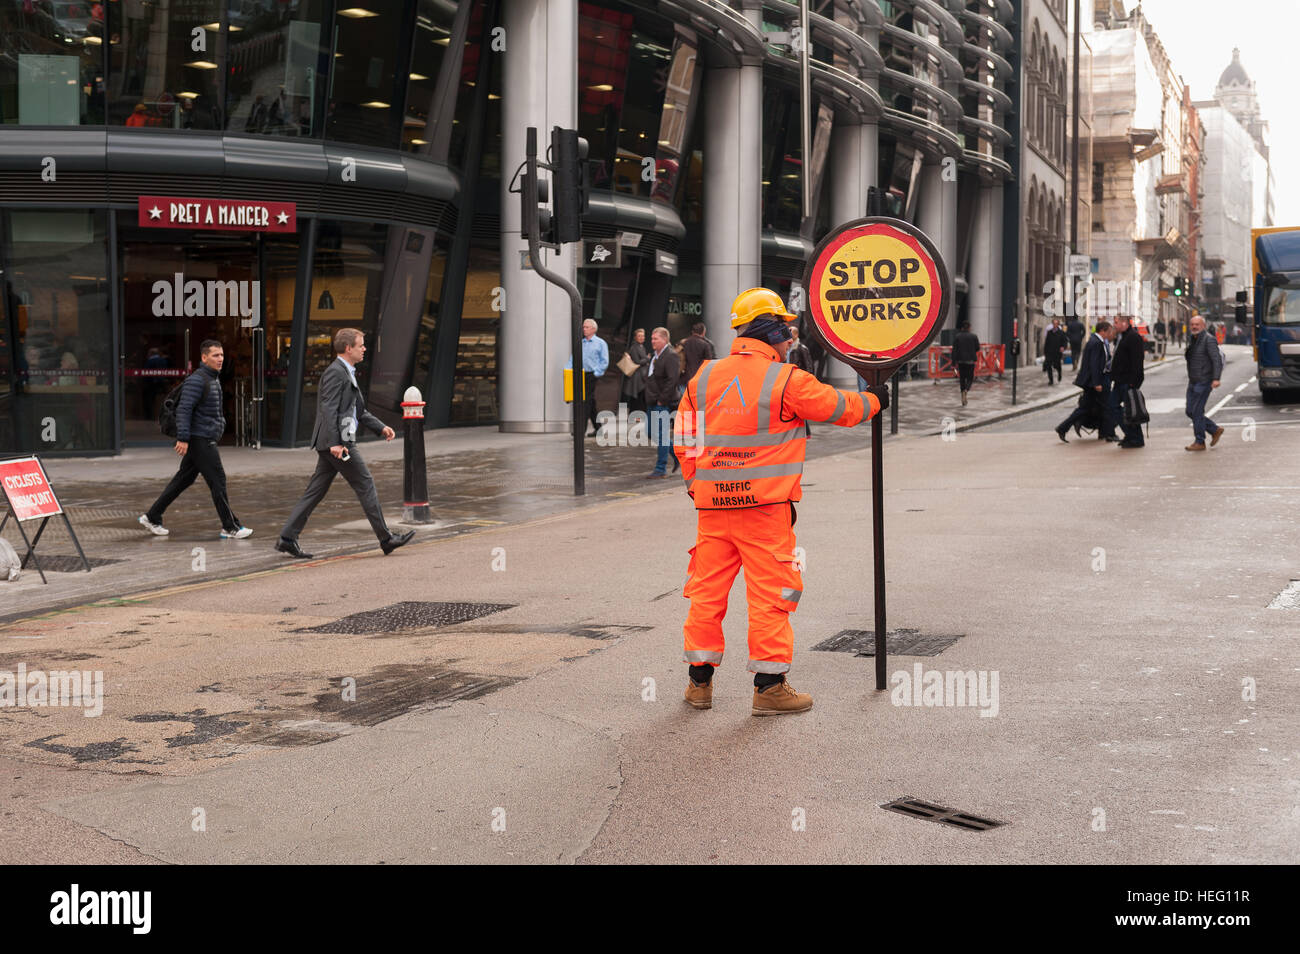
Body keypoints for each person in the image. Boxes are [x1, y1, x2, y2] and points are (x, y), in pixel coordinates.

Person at [674, 288, 888, 716]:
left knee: (707, 594)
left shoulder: (704, 378)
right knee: (772, 596)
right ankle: (769, 688)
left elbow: (684, 439)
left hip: (713, 511)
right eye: (786, 330)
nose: (791, 339)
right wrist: (876, 398)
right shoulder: (786, 380)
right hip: (765, 511)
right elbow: (840, 409)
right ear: (769, 330)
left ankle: (699, 685)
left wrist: (699, 486)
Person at [276, 329, 415, 558]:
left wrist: (380, 427)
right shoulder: (335, 373)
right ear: (348, 348)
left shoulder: (347, 371)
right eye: (361, 345)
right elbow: (328, 409)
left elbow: (357, 409)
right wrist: (335, 443)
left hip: (336, 442)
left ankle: (287, 538)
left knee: (315, 492)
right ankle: (386, 538)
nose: (364, 349)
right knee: (366, 484)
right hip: (339, 443)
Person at [139, 340, 251, 539]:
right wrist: (182, 438)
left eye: (222, 355)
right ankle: (230, 527)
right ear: (204, 357)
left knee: (183, 479)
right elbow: (184, 410)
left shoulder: (213, 379)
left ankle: (152, 516)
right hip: (201, 439)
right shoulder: (197, 380)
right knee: (218, 481)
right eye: (216, 355)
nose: (220, 359)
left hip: (204, 436)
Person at [1055, 320, 1113, 442]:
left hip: (1093, 382)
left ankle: (1103, 432)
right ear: (1102, 331)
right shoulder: (1096, 343)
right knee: (1098, 407)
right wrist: (1097, 383)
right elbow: (1094, 364)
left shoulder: (1097, 341)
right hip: (1093, 383)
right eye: (1109, 332)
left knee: (1090, 408)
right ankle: (1107, 433)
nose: (1110, 334)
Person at [1184, 314, 1225, 452]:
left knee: (1196, 411)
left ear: (1203, 326)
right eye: (1192, 324)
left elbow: (1216, 360)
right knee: (1190, 411)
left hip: (1204, 380)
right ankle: (1214, 429)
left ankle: (1200, 441)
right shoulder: (1193, 340)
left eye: (1197, 324)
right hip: (1193, 380)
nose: (1194, 327)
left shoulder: (1209, 340)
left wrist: (1216, 378)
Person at [643, 326, 680, 478]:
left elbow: (672, 380)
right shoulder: (655, 355)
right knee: (650, 432)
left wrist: (661, 400)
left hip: (661, 402)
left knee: (662, 434)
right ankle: (677, 455)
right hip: (652, 400)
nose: (652, 341)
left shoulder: (670, 355)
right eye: (652, 338)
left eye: (655, 339)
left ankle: (660, 469)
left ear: (665, 339)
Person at [565, 318, 608, 438]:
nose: (584, 329)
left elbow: (604, 361)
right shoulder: (581, 343)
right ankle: (598, 428)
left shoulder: (600, 343)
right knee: (590, 402)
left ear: (594, 329)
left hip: (591, 375)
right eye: (583, 327)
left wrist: (596, 373)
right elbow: (573, 359)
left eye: (587, 327)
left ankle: (580, 430)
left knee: (585, 401)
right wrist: (567, 371)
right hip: (580, 375)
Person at [1111, 315, 1145, 448]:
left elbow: (1137, 361)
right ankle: (1132, 435)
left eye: (1116, 322)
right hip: (1120, 380)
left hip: (1128, 381)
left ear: (1124, 323)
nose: (1114, 325)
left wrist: (1133, 382)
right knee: (1116, 407)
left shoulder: (1133, 337)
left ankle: (1135, 438)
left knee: (1130, 410)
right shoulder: (1122, 336)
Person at [679, 321, 715, 399]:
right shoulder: (706, 345)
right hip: (698, 381)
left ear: (692, 332)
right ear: (703, 332)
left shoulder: (683, 343)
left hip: (684, 379)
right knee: (696, 406)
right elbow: (709, 364)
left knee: (685, 404)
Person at [620, 327, 649, 415]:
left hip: (641, 375)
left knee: (639, 397)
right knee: (636, 397)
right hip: (637, 376)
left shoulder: (641, 347)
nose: (641, 338)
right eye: (639, 336)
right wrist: (647, 359)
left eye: (643, 336)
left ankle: (636, 415)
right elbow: (637, 362)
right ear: (635, 337)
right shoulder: (634, 347)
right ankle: (634, 415)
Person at [952, 321, 980, 406]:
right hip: (970, 361)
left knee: (962, 378)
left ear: (962, 328)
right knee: (970, 378)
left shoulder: (958, 337)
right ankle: (966, 390)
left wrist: (953, 363)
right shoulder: (974, 336)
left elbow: (954, 350)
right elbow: (977, 348)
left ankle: (962, 392)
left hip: (960, 361)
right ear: (969, 327)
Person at [1043, 319, 1067, 385]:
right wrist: (1045, 352)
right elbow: (1046, 343)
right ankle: (1051, 380)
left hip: (1057, 352)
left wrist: (1063, 347)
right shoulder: (1049, 332)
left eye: (1056, 324)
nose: (1055, 325)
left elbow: (1065, 341)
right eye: (1054, 323)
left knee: (1057, 365)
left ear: (1058, 324)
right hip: (1049, 352)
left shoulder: (1061, 332)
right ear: (1052, 324)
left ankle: (1059, 373)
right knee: (1048, 366)